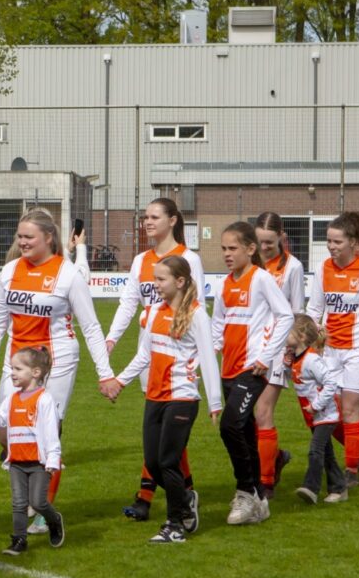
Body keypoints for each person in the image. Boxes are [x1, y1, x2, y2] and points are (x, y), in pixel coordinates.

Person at [0, 209, 116, 533]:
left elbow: (91, 326)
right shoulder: (9, 271)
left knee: (47, 431)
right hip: (16, 361)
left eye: (29, 236)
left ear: (48, 237)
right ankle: (28, 471)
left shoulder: (67, 275)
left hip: (57, 361)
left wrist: (105, 372)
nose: (22, 241)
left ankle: (44, 508)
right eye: (20, 236)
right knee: (6, 431)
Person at [104, 256, 222, 544]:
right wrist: (120, 381)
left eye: (160, 279)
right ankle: (185, 501)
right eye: (154, 278)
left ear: (179, 281)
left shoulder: (196, 315)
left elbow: (208, 359)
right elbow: (144, 355)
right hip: (154, 397)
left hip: (182, 397)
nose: (154, 284)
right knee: (154, 463)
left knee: (169, 461)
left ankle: (175, 526)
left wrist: (214, 402)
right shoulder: (155, 310)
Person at [105, 198, 205, 522]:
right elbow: (127, 303)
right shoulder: (140, 261)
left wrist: (196, 362)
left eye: (154, 217)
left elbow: (198, 310)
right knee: (162, 435)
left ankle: (148, 497)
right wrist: (111, 338)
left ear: (173, 220)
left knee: (169, 434)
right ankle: (182, 494)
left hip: (178, 360)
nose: (147, 222)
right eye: (145, 217)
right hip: (149, 354)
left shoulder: (189, 259)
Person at [213, 222, 293, 526]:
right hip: (228, 370)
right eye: (223, 248)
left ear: (250, 249)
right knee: (245, 435)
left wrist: (266, 356)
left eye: (232, 248)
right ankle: (260, 499)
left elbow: (285, 316)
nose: (227, 254)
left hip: (252, 369)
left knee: (229, 426)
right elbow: (217, 325)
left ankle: (245, 492)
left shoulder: (261, 279)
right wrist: (207, 354)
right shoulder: (223, 284)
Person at [305, 212, 359, 487]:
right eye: (328, 241)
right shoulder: (322, 269)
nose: (331, 246)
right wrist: (308, 339)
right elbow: (315, 309)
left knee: (350, 410)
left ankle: (351, 471)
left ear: (353, 242)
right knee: (330, 411)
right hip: (329, 352)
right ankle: (358, 448)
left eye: (337, 241)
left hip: (358, 351)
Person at [0, 346, 63, 555]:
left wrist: (53, 460)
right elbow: (0, 419)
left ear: (35, 372)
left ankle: (54, 520)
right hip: (16, 462)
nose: (12, 373)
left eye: (18, 369)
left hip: (39, 464)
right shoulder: (12, 398)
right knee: (19, 503)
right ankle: (19, 540)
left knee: (38, 502)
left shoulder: (44, 399)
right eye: (12, 369)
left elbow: (51, 433)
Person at [252, 211, 304, 496]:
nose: (264, 247)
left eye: (269, 242)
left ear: (282, 238)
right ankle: (276, 457)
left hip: (277, 350)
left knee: (263, 411)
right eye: (259, 241)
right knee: (245, 416)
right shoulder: (250, 262)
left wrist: (290, 353)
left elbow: (297, 313)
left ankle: (266, 481)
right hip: (249, 347)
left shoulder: (293, 267)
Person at [284, 317, 349, 505]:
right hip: (313, 416)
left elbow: (330, 383)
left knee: (315, 450)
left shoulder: (312, 359)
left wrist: (316, 405)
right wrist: (286, 366)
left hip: (326, 415)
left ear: (301, 336)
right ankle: (339, 488)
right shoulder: (296, 358)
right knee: (327, 453)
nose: (284, 335)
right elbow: (295, 378)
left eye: (288, 331)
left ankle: (311, 488)